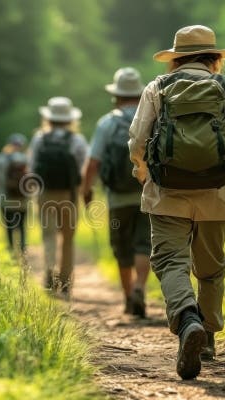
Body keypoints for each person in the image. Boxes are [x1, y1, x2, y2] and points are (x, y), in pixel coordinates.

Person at [128, 25, 225, 379]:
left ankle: (187, 319)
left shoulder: (156, 88)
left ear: (176, 59)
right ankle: (205, 337)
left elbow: (137, 139)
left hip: (166, 193)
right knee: (210, 267)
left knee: (169, 261)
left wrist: (142, 170)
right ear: (215, 58)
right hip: (217, 192)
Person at [82, 67, 150, 318]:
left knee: (122, 248)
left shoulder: (107, 123)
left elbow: (93, 163)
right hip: (147, 194)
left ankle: (128, 297)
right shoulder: (149, 119)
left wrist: (86, 190)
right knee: (145, 244)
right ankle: (141, 287)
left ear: (116, 96)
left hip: (117, 198)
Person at [29, 97, 88, 299]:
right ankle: (65, 282)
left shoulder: (39, 138)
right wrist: (83, 191)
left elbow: (32, 167)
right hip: (69, 194)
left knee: (49, 236)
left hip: (45, 193)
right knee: (68, 239)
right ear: (69, 119)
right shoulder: (76, 140)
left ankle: (48, 272)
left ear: (49, 118)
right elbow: (84, 167)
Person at [0, 133, 29, 254]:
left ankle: (11, 250)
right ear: (22, 146)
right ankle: (22, 250)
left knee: (9, 225)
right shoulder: (27, 159)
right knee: (22, 225)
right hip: (23, 199)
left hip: (5, 198)